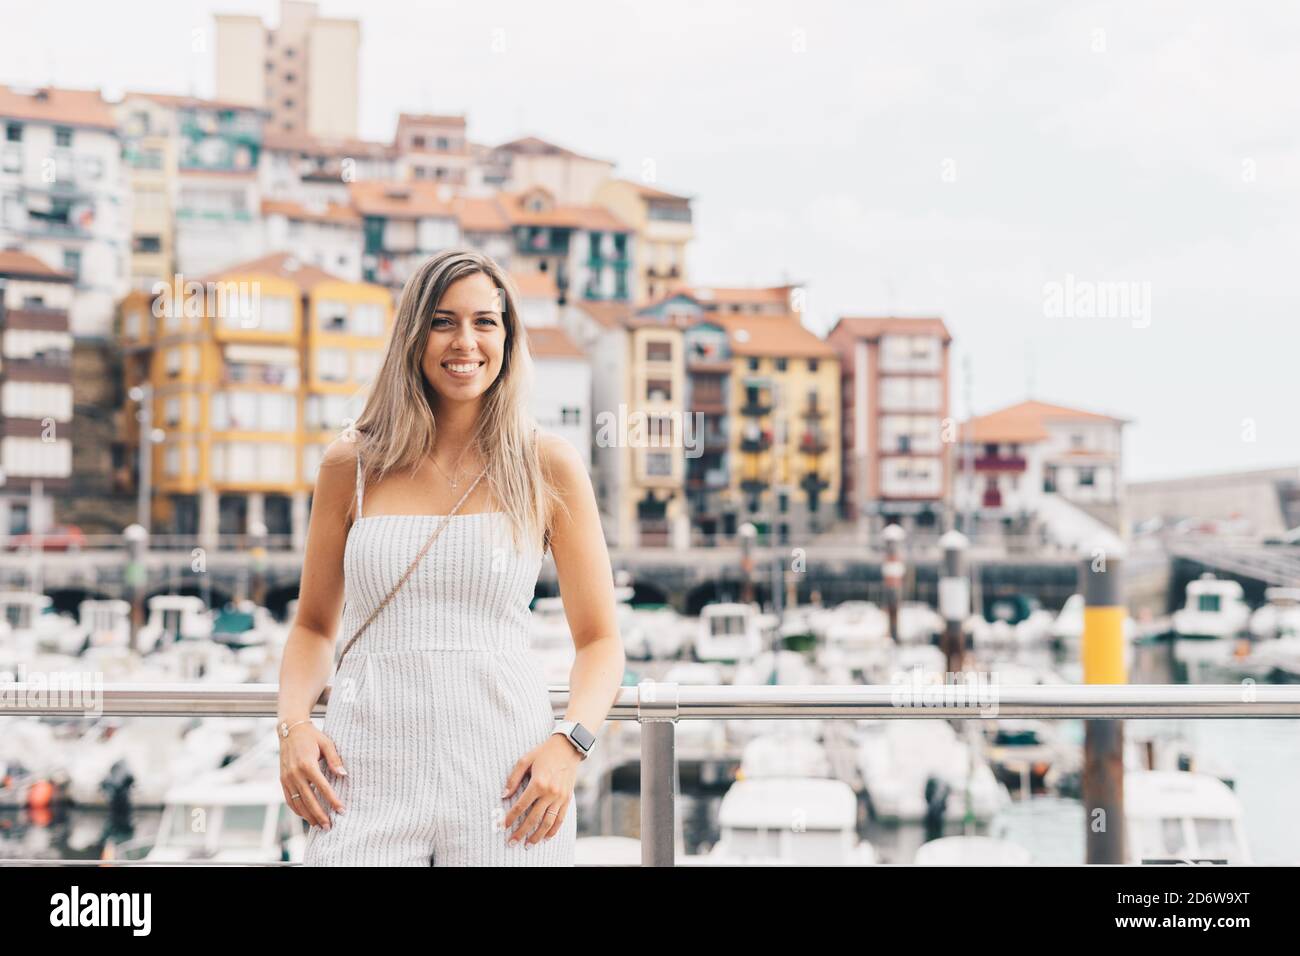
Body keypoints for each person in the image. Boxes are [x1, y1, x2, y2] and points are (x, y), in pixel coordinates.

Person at [277, 249, 625, 865]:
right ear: (414, 335)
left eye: (485, 322)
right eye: (443, 321)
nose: (465, 341)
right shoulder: (350, 465)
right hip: (364, 777)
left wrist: (569, 746)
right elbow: (311, 626)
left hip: (510, 784)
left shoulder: (548, 464)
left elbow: (599, 640)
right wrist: (294, 728)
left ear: (507, 337)